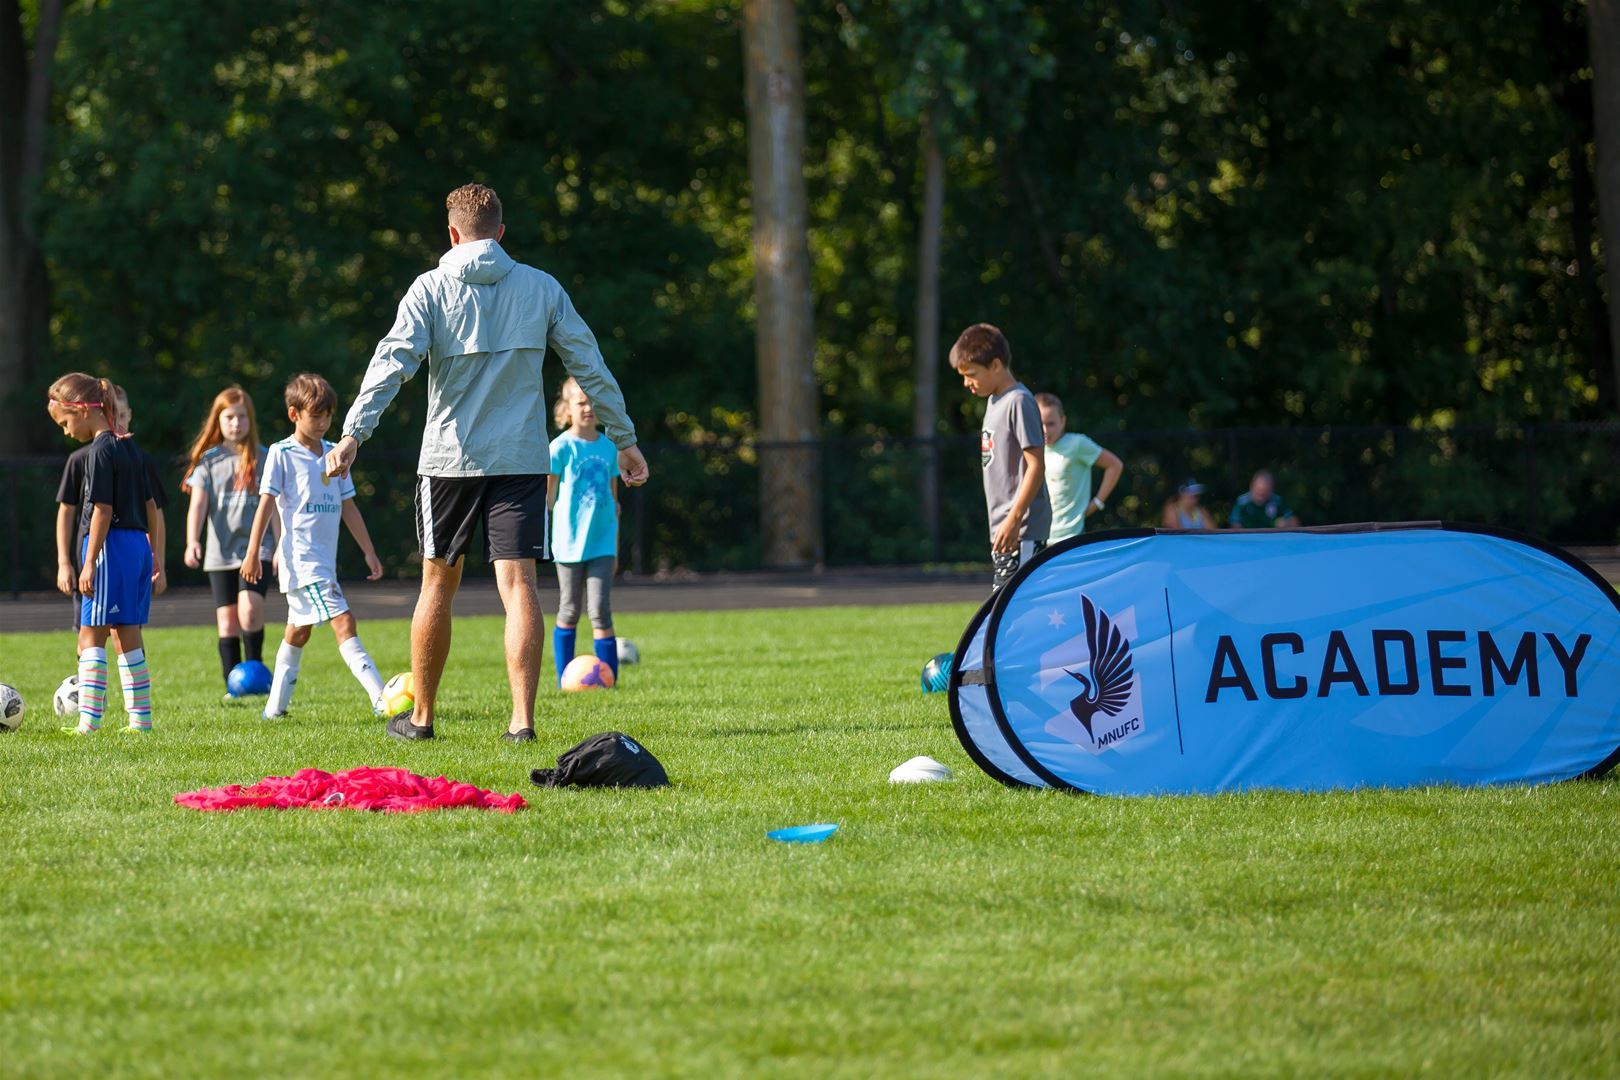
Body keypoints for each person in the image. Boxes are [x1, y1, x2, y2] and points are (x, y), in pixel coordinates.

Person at [326, 182, 649, 743]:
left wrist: (354, 433)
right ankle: (522, 723)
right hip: (521, 459)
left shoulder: (430, 288)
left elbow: (390, 364)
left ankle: (422, 720)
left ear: (452, 234)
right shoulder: (541, 287)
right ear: (501, 232)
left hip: (448, 461)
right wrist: (624, 438)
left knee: (437, 585)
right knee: (520, 584)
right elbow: (589, 365)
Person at [241, 373, 386, 720]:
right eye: (316, 415)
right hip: (303, 561)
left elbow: (349, 506)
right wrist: (253, 552)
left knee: (298, 632)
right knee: (344, 621)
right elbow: (266, 503)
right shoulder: (281, 453)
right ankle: (383, 700)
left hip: (323, 561)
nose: (323, 422)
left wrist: (368, 551)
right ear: (294, 414)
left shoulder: (336, 453)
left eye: (328, 415)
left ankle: (274, 710)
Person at [47, 374, 159, 734]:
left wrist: (89, 561)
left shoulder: (98, 451)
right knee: (127, 635)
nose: (66, 432)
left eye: (65, 422)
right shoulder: (130, 446)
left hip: (110, 548)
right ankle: (140, 721)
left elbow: (102, 510)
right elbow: (151, 506)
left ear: (82, 410)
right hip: (137, 546)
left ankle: (88, 723)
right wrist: (155, 554)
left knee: (90, 635)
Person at [182, 386, 279, 698]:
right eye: (229, 417)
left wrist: (280, 545)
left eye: (242, 417)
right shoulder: (209, 461)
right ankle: (233, 686)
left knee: (250, 610)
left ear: (250, 419)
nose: (236, 423)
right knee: (227, 623)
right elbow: (197, 505)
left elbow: (275, 506)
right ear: (218, 421)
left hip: (257, 549)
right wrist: (192, 541)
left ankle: (256, 674)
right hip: (220, 552)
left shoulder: (265, 458)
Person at [949, 323, 1050, 591]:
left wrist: (1014, 519)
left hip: (1022, 530)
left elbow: (1036, 465)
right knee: (1005, 605)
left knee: (1015, 605)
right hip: (1005, 530)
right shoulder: (995, 401)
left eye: (971, 375)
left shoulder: (1018, 401)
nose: (966, 383)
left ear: (995, 365)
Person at [548, 377, 623, 684]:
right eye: (581, 402)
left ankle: (608, 679)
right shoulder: (560, 448)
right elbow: (547, 500)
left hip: (602, 544)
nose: (588, 407)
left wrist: (615, 547)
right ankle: (564, 679)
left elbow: (614, 503)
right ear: (567, 409)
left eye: (592, 401)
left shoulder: (609, 448)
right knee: (569, 609)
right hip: (568, 544)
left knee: (600, 611)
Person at [1036, 392, 1123, 543]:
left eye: (1051, 424)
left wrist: (1097, 503)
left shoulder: (1077, 444)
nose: (1045, 430)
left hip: (1070, 537)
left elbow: (1115, 465)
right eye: (1040, 423)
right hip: (1039, 536)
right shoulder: (1033, 449)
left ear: (1063, 421)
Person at [1230, 469, 1300, 529]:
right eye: (1258, 492)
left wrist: (1286, 523)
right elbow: (1234, 524)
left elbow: (1294, 522)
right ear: (1251, 487)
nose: (1260, 496)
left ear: (1271, 490)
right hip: (1249, 539)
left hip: (1272, 539)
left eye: (1264, 493)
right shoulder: (1242, 502)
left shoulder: (1277, 501)